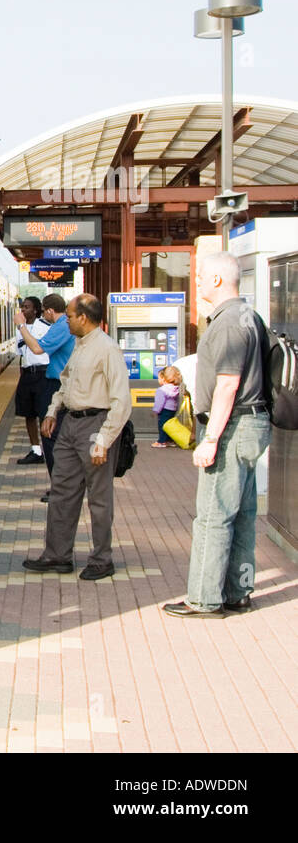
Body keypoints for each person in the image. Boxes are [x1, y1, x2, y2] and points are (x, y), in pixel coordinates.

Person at [164, 252, 271, 618]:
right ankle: (238, 592)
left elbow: (228, 384)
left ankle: (204, 598)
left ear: (216, 281)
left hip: (232, 427)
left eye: (199, 277)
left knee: (213, 515)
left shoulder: (226, 323)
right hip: (252, 424)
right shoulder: (250, 316)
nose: (196, 283)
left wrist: (210, 440)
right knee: (242, 514)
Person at [23, 294, 131, 580]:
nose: (65, 320)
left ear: (83, 317)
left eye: (69, 316)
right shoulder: (80, 346)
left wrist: (104, 440)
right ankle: (57, 555)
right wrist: (51, 411)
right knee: (62, 490)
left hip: (95, 424)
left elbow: (122, 401)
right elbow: (65, 383)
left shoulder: (107, 349)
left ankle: (101, 559)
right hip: (70, 423)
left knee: (99, 495)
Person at [16, 292, 76, 500]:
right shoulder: (63, 326)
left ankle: (60, 489)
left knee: (50, 435)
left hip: (56, 385)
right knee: (55, 435)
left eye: (44, 312)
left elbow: (37, 348)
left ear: (50, 311)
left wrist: (21, 326)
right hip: (58, 383)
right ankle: (62, 486)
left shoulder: (61, 326)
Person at [13, 296, 51, 464]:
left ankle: (49, 450)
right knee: (28, 413)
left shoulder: (45, 327)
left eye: (27, 307)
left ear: (35, 310)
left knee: (44, 413)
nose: (23, 310)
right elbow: (20, 353)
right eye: (22, 307)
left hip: (43, 374)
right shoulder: (19, 329)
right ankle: (36, 450)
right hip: (27, 374)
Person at [150, 365, 184, 448]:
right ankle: (169, 441)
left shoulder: (161, 390)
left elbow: (159, 402)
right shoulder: (175, 389)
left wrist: (155, 411)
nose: (158, 380)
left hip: (164, 410)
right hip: (172, 410)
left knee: (162, 426)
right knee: (169, 426)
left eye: (159, 378)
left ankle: (161, 442)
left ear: (164, 379)